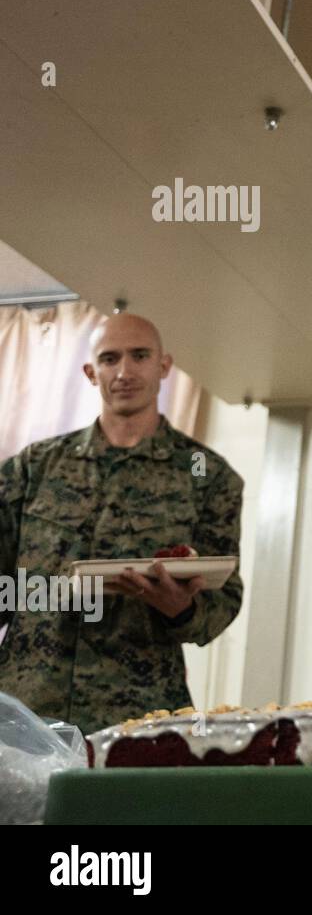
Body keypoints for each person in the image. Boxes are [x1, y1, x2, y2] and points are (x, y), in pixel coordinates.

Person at [0, 313, 243, 734]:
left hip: (140, 715)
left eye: (140, 356)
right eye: (110, 359)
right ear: (91, 372)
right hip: (28, 710)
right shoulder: (33, 467)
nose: (125, 372)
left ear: (163, 366)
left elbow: (223, 599)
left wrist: (180, 608)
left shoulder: (207, 476)